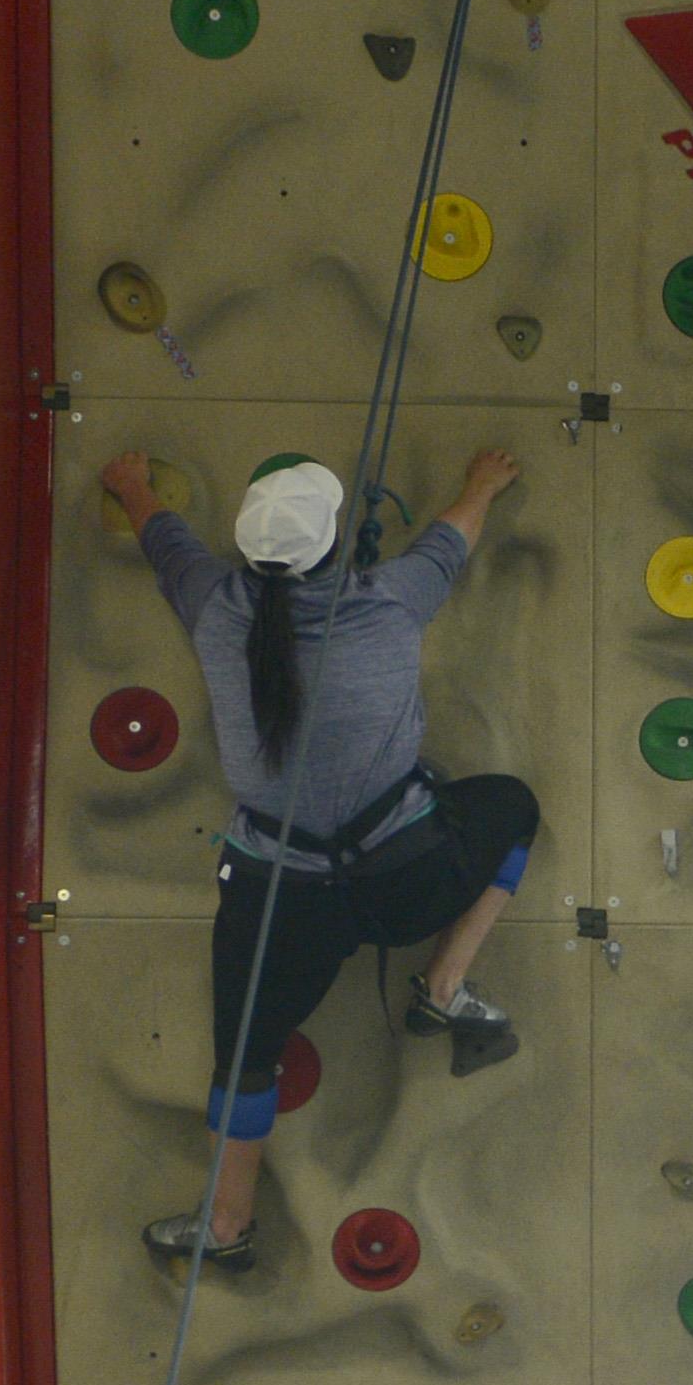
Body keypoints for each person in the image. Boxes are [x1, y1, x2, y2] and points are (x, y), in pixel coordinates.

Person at [100, 445, 538, 1276]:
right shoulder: (388, 601)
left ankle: (227, 1224)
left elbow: (166, 543)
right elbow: (451, 538)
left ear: (248, 549)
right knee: (515, 809)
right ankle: (444, 984)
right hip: (410, 874)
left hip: (279, 900)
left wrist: (128, 485)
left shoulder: (217, 606)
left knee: (244, 1055)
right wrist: (481, 481)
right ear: (333, 546)